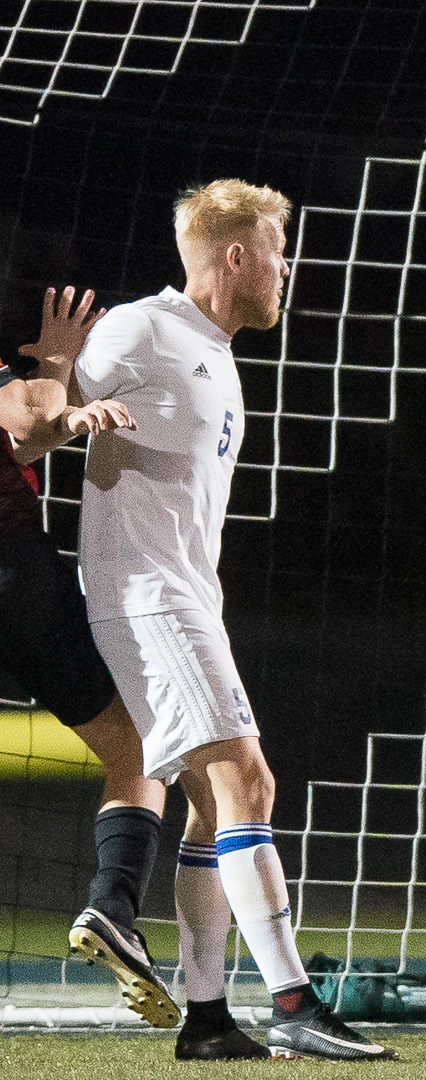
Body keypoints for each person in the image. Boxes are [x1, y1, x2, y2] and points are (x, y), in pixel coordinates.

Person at [66, 178, 394, 1060]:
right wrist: (57, 407)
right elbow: (42, 405)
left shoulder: (212, 348)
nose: (288, 272)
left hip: (186, 597)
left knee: (224, 804)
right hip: (147, 600)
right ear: (236, 255)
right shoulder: (139, 328)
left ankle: (208, 1018)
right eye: (279, 253)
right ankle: (292, 1000)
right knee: (245, 780)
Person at [0, 287, 177, 1030]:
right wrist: (61, 364)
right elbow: (26, 422)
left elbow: (28, 437)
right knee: (136, 748)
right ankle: (112, 908)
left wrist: (58, 399)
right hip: (13, 576)